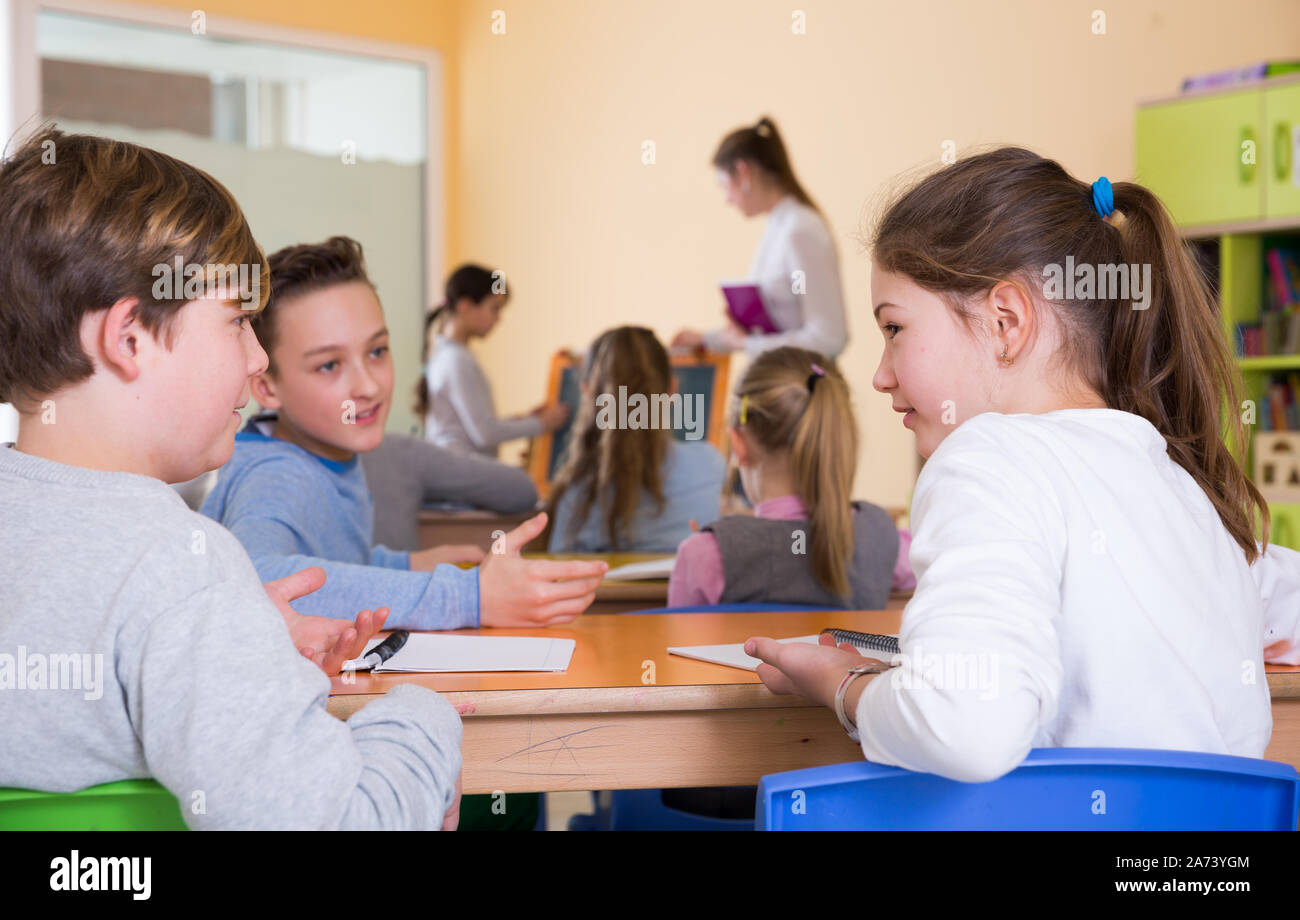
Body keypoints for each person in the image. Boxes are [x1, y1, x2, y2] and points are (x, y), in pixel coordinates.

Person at [749, 148, 1300, 783]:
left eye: (894, 329)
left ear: (1006, 322)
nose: (878, 374)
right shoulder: (1180, 483)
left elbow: (966, 730)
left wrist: (846, 688)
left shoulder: (988, 458)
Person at [672, 116, 848, 359]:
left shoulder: (800, 230)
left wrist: (747, 344)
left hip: (801, 389)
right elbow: (770, 331)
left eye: (724, 186)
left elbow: (830, 337)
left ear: (743, 173)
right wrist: (707, 339)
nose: (726, 199)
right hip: (779, 384)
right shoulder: (777, 227)